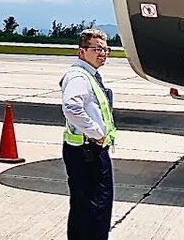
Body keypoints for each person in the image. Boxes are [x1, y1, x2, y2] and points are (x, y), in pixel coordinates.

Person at [60, 29, 117, 240]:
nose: (102, 53)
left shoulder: (89, 75)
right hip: (87, 152)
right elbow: (71, 107)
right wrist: (96, 133)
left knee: (84, 209)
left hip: (86, 150)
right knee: (96, 209)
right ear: (82, 51)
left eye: (105, 49)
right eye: (97, 49)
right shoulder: (78, 77)